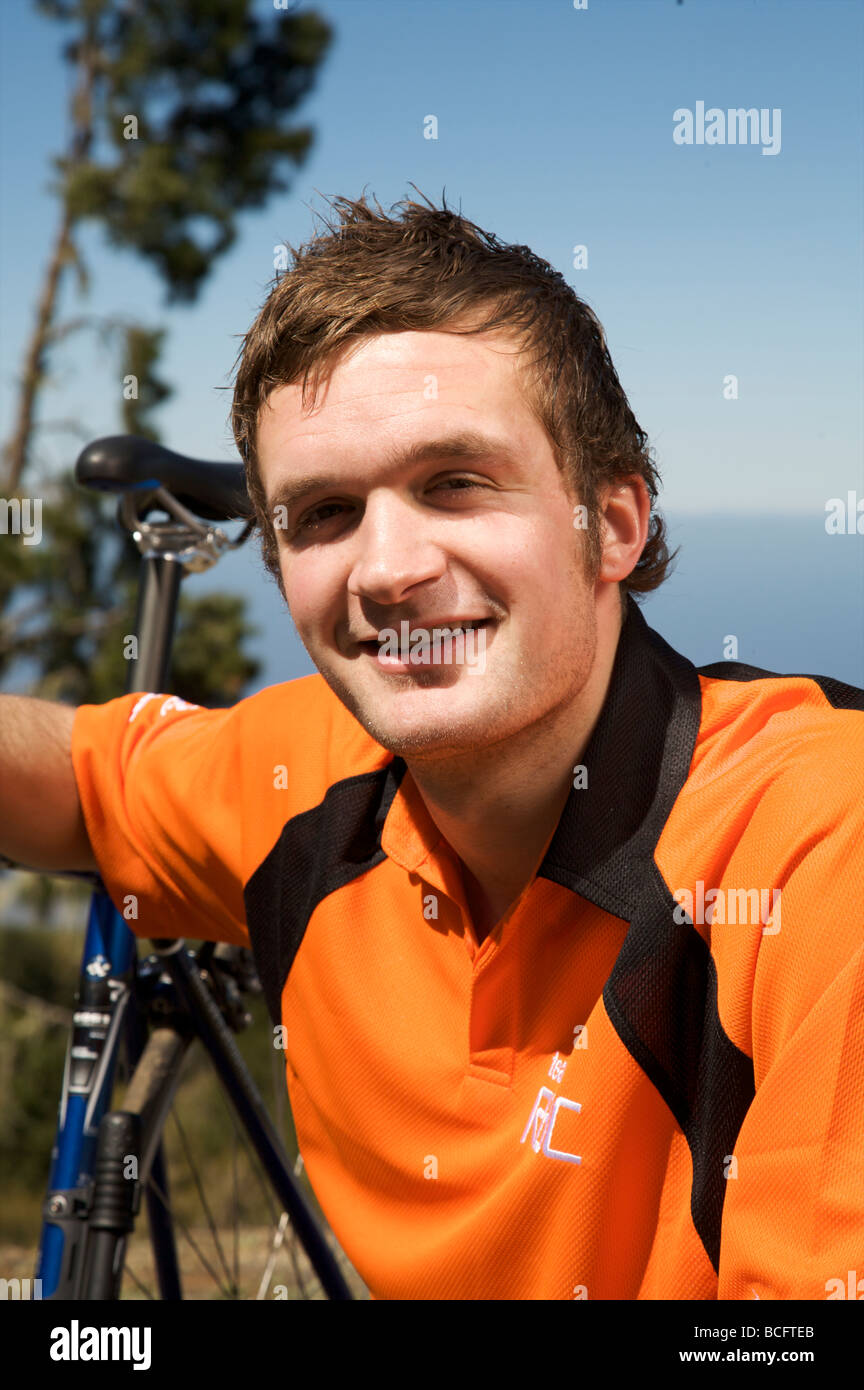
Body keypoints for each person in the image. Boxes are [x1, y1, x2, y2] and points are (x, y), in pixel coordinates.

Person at [2, 191, 862, 1301]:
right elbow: (72, 777)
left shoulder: (813, 845)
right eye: (323, 514)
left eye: (454, 482)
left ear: (613, 524)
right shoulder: (297, 780)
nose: (387, 567)